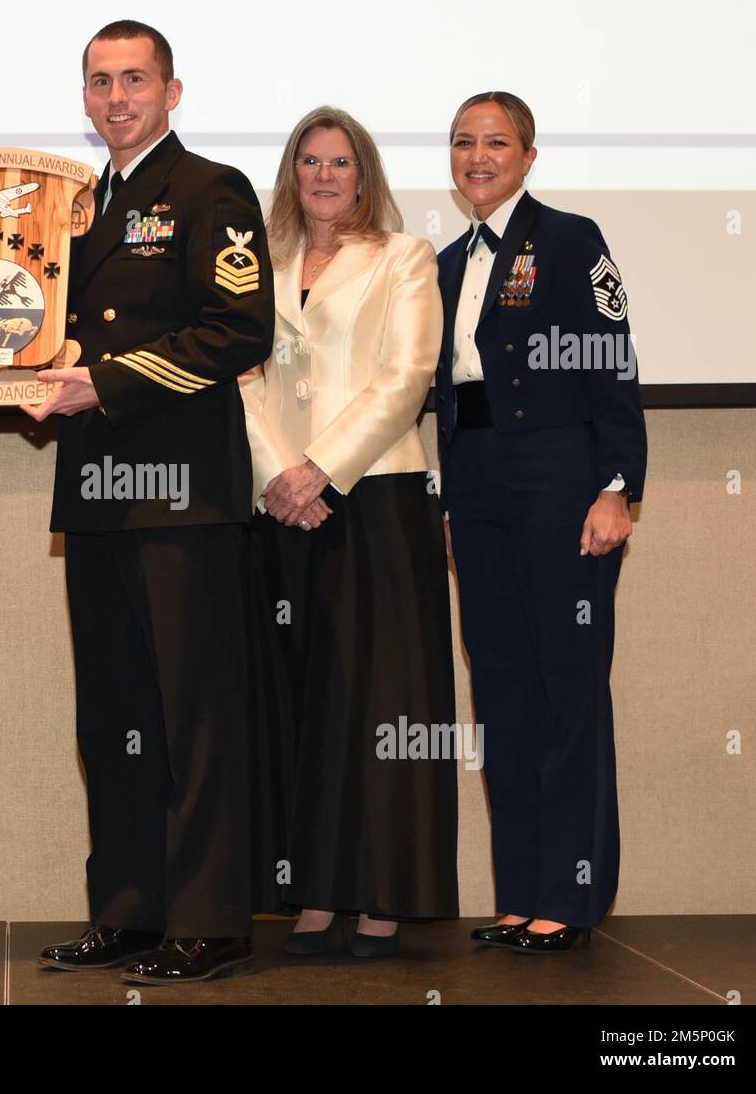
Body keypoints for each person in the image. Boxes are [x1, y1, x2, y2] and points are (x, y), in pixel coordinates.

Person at [23, 20, 274, 985]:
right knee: (114, 714)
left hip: (181, 496)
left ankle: (209, 918)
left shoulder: (211, 190)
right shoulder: (76, 206)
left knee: (195, 716)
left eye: (135, 79)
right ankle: (128, 911)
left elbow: (237, 329)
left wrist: (109, 383)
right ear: (84, 98)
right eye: (99, 82)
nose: (116, 96)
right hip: (95, 492)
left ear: (172, 91)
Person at [241, 106, 458, 958]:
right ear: (292, 174)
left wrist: (321, 467)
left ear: (364, 176)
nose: (324, 177)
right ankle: (314, 889)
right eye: (309, 162)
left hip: (375, 495)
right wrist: (279, 473)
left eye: (340, 163)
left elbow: (408, 377)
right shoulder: (257, 262)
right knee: (301, 699)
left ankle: (384, 892)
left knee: (383, 707)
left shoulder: (403, 258)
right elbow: (239, 377)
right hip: (278, 502)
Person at [435, 91, 646, 953]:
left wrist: (616, 483)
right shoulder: (445, 260)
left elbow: (612, 359)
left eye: (495, 142)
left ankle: (573, 893)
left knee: (568, 689)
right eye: (462, 142)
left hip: (562, 481)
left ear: (528, 154)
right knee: (504, 692)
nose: (477, 156)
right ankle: (523, 891)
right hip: (477, 485)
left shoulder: (569, 238)